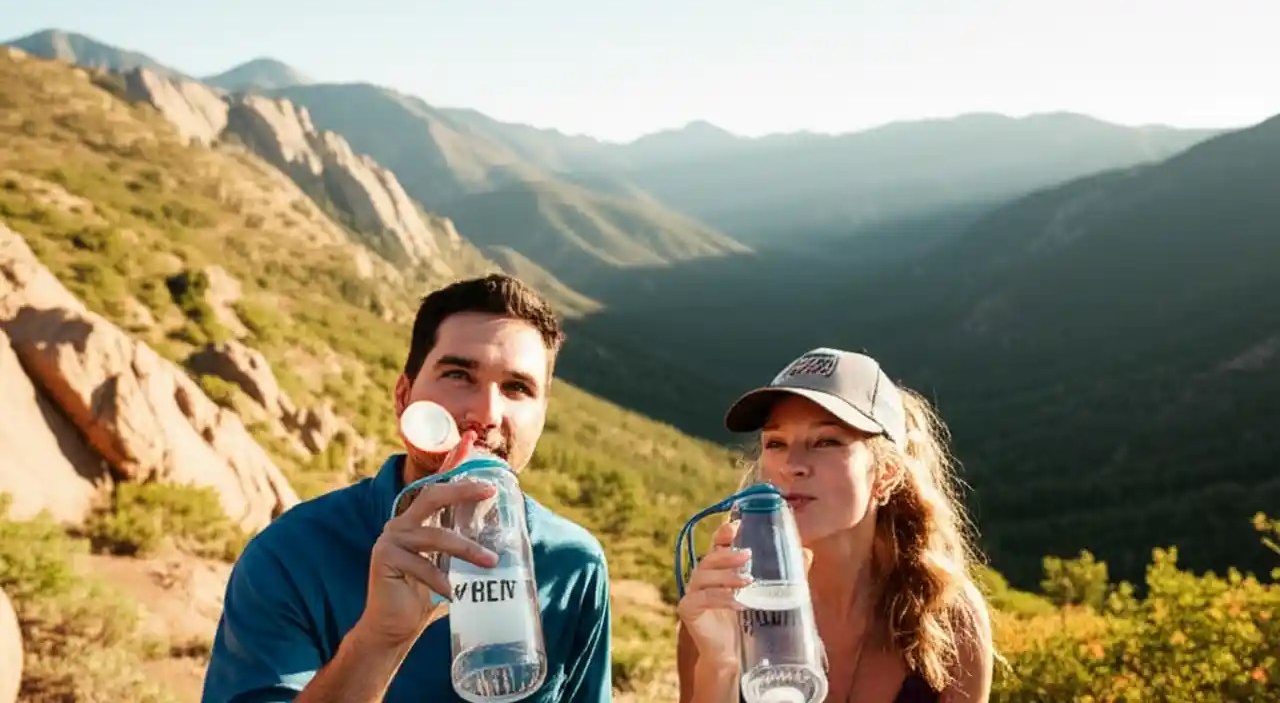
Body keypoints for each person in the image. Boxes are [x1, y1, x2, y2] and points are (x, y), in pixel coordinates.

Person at [202, 274, 612, 703]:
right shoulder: (292, 554)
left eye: (517, 387)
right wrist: (379, 641)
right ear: (404, 398)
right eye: (458, 374)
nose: (487, 414)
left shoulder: (573, 565)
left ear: (542, 417)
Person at [676, 347, 994, 703]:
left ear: (886, 474)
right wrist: (721, 668)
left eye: (826, 441)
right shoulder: (725, 606)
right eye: (776, 443)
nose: (792, 465)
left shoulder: (946, 615)